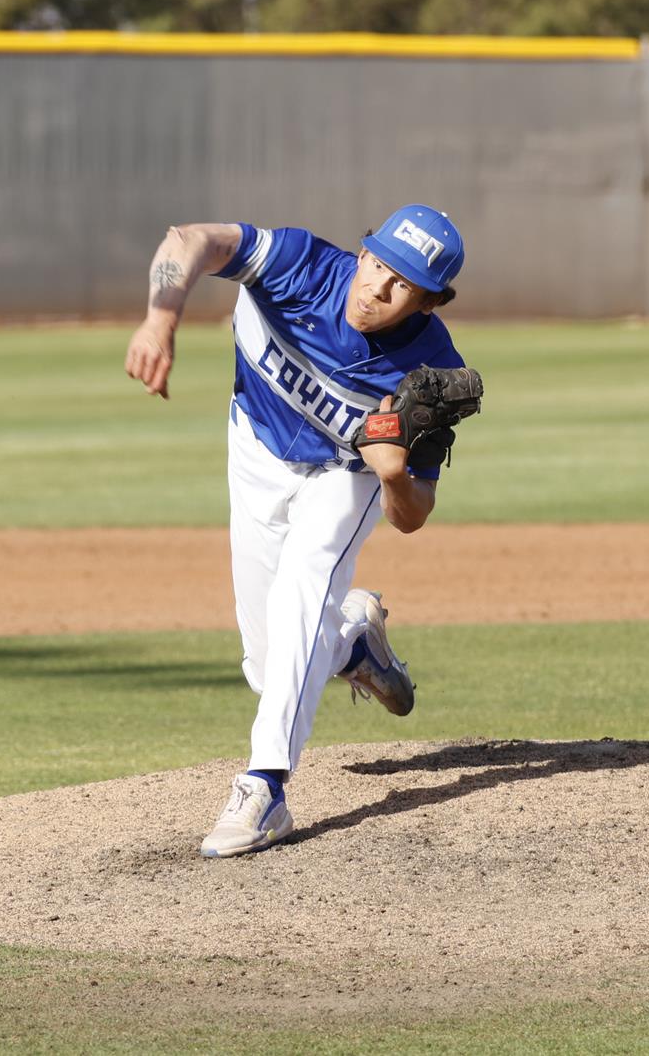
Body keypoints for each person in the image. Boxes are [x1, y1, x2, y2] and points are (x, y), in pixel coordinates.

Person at [124, 205, 471, 857]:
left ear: (428, 301)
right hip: (256, 451)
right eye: (377, 264)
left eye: (402, 284)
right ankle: (351, 644)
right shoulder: (302, 266)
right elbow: (189, 239)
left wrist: (394, 474)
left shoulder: (428, 370)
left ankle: (265, 787)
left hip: (345, 479)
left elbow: (413, 511)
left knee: (304, 585)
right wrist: (160, 317)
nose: (377, 287)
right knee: (268, 662)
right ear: (363, 253)